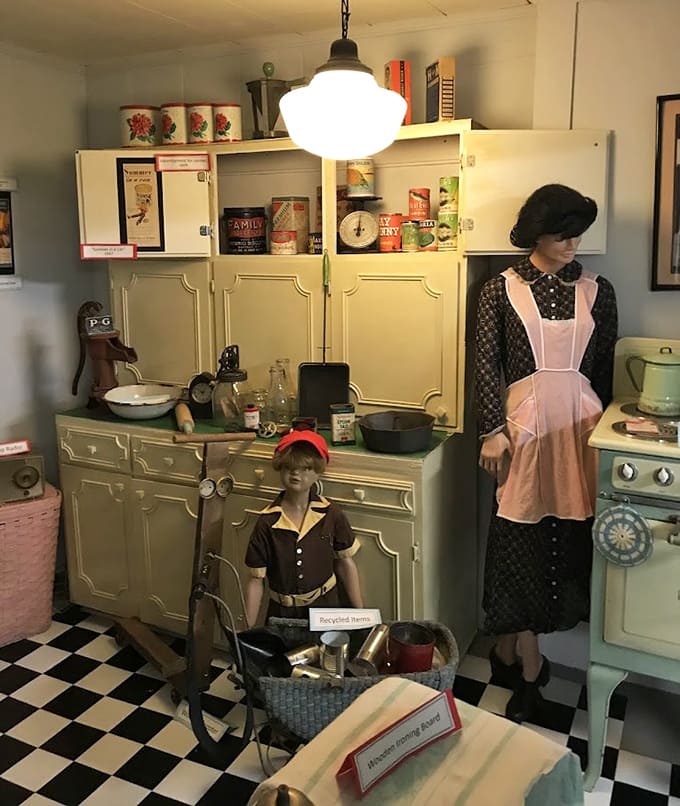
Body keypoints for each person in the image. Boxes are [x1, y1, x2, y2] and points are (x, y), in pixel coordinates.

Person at [475, 184, 618, 723]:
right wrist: (491, 430)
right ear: (537, 230)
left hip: (580, 429)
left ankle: (511, 652)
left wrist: (605, 433)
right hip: (522, 429)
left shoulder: (598, 291)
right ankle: (529, 666)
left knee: (568, 535)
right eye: (563, 233)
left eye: (578, 232)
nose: (573, 243)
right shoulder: (500, 290)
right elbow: (487, 365)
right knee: (518, 536)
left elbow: (601, 369)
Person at [244, 429, 364, 626]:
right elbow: (255, 581)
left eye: (305, 468)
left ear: (318, 472)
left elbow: (345, 563)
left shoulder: (331, 513)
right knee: (283, 656)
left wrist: (360, 613)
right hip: (282, 614)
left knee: (328, 655)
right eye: (289, 467)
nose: (296, 474)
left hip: (327, 608)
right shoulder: (267, 522)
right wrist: (246, 630)